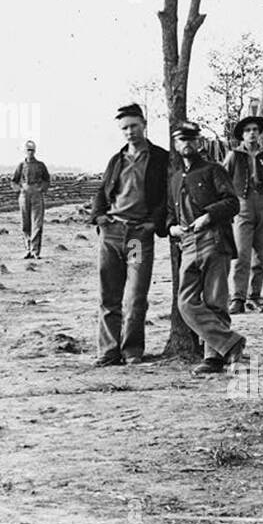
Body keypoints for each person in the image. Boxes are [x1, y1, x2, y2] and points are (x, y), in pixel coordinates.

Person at [89, 103, 170, 366]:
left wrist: (152, 224)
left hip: (137, 237)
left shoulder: (160, 158)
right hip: (112, 234)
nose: (129, 132)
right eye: (124, 128)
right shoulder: (117, 159)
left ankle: (132, 350)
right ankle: (108, 352)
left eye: (134, 126)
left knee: (135, 296)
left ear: (144, 125)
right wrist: (100, 217)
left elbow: (168, 196)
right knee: (109, 295)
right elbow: (102, 191)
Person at [168, 121, 245, 374]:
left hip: (213, 239)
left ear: (199, 143)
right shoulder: (175, 178)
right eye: (182, 140)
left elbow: (232, 203)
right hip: (187, 244)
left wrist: (208, 216)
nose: (187, 144)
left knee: (215, 301)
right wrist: (171, 228)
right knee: (185, 303)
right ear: (176, 145)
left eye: (191, 139)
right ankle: (230, 343)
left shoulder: (214, 170)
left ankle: (214, 358)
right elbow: (170, 213)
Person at [222, 115, 263, 312]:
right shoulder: (234, 156)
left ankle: (255, 295)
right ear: (242, 135)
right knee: (241, 254)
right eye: (247, 130)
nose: (252, 133)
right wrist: (229, 201)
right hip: (243, 207)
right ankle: (238, 297)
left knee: (261, 254)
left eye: (255, 130)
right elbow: (222, 179)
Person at [11, 139, 51, 260]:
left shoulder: (40, 165)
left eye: (32, 150)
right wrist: (20, 189)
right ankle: (28, 249)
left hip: (37, 195)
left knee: (37, 223)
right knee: (25, 223)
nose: (30, 152)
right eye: (28, 150)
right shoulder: (21, 165)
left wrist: (41, 189)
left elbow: (47, 180)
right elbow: (14, 181)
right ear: (25, 151)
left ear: (35, 151)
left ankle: (35, 251)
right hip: (24, 195)